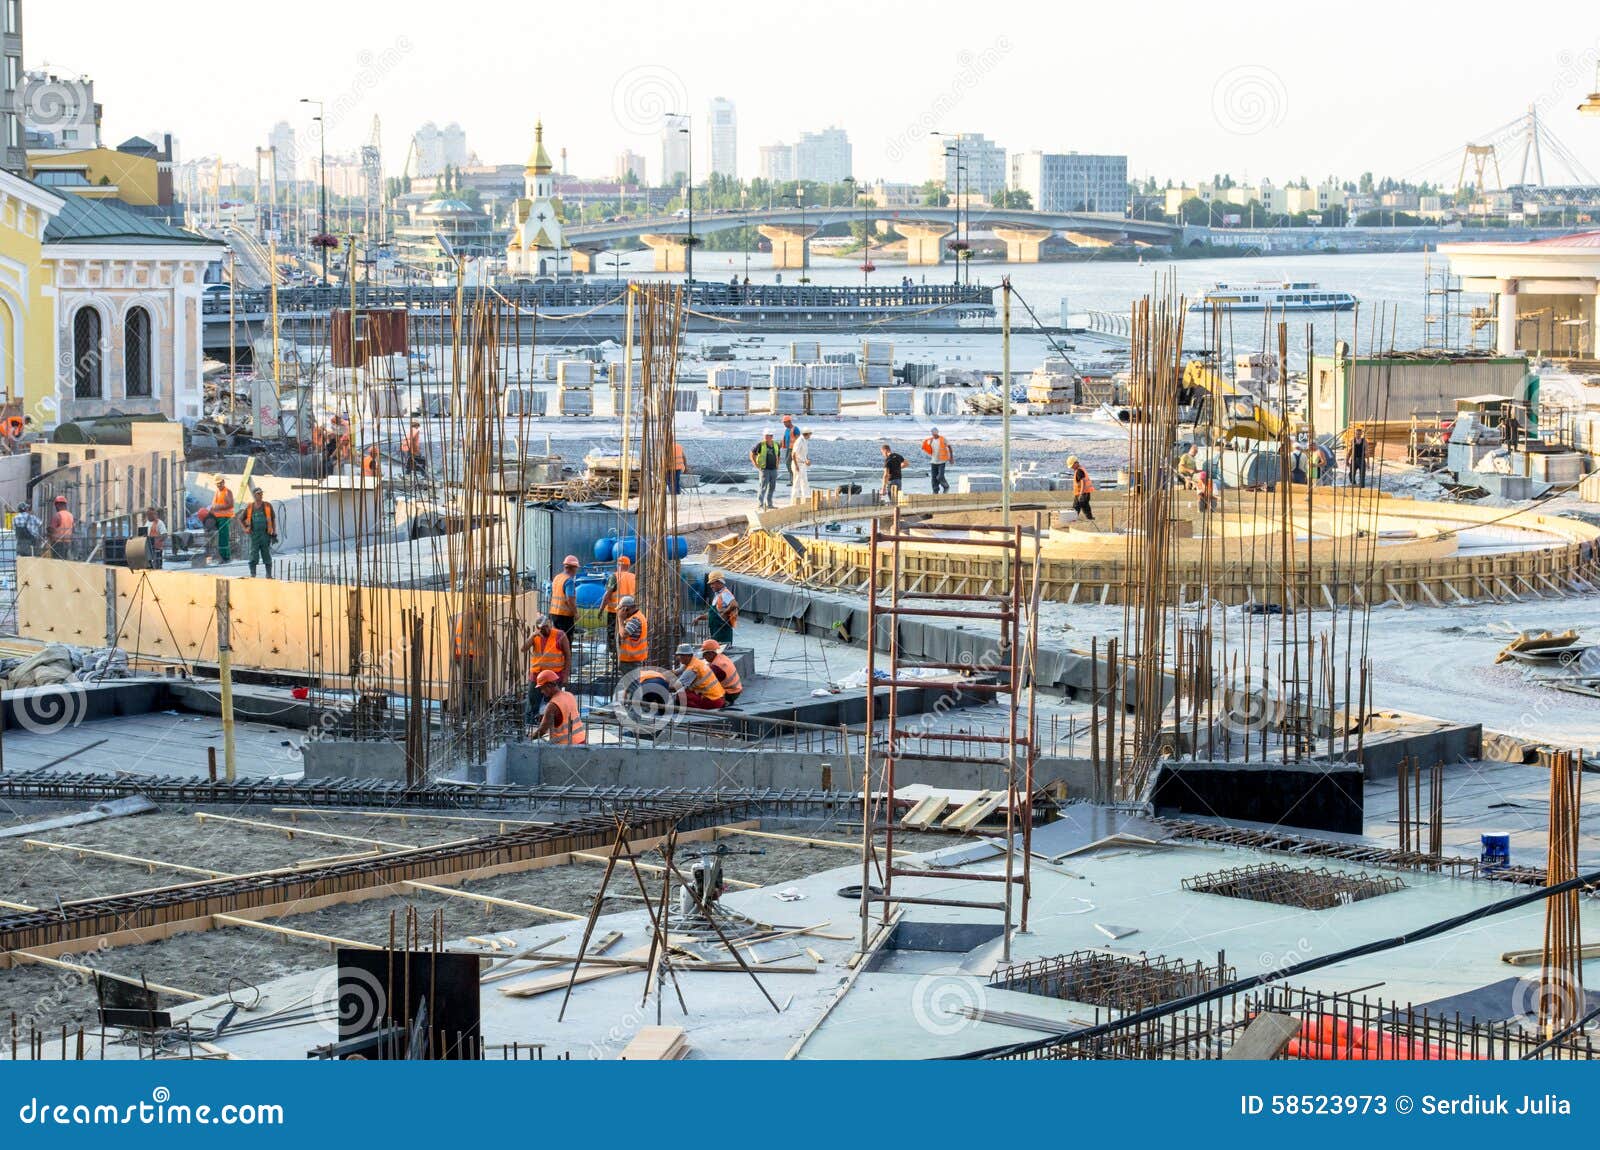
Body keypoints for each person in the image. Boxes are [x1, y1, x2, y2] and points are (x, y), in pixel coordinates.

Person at [521, 615, 571, 723]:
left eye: (547, 626)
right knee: (532, 705)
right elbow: (523, 649)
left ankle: (554, 726)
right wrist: (533, 636)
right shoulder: (536, 636)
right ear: (538, 628)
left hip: (554, 677)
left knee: (555, 704)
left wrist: (566, 676)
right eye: (543, 628)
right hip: (536, 676)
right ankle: (531, 726)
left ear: (550, 624)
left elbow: (568, 655)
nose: (546, 630)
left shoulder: (559, 635)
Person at [529, 670, 587, 745]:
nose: (542, 692)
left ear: (549, 685)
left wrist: (528, 738)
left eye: (542, 688)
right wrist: (545, 716)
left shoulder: (552, 705)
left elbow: (542, 731)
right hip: (581, 740)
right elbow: (565, 714)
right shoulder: (569, 695)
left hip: (565, 746)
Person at [673, 643, 726, 711]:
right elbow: (677, 671)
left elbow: (676, 687)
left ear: (687, 656)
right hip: (720, 697)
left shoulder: (692, 669)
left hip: (714, 702)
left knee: (679, 695)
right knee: (687, 691)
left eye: (680, 656)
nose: (678, 658)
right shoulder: (695, 661)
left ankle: (694, 710)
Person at [239, 487, 276, 578]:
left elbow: (273, 519)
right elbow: (240, 519)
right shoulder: (250, 507)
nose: (261, 495)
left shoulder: (267, 506)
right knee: (253, 554)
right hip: (254, 535)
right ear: (254, 495)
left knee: (266, 554)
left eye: (261, 493)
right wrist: (245, 529)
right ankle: (253, 574)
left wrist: (274, 532)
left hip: (265, 535)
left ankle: (269, 575)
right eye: (259, 494)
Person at [602, 555, 635, 652]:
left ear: (618, 565)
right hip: (630, 611)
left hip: (615, 611)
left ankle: (614, 654)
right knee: (627, 633)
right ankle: (625, 652)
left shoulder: (614, 576)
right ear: (628, 566)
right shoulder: (634, 577)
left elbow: (607, 595)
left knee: (613, 635)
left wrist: (601, 609)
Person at [701, 639, 743, 706]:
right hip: (736, 690)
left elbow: (706, 684)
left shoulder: (716, 667)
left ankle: (724, 702)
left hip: (730, 693)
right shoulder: (721, 657)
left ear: (711, 653)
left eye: (704, 654)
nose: (703, 657)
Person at [548, 554, 580, 635]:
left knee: (557, 638)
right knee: (566, 640)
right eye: (576, 568)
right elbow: (569, 599)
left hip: (554, 614)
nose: (576, 571)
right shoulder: (569, 581)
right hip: (564, 616)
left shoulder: (557, 577)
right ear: (572, 568)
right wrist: (576, 613)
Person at [750, 431, 780, 510]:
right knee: (763, 487)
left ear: (771, 436)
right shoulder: (760, 444)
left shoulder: (776, 444)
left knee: (772, 487)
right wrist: (755, 465)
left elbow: (778, 455)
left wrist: (777, 465)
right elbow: (752, 453)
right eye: (765, 436)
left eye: (768, 436)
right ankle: (760, 505)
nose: (766, 437)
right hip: (764, 469)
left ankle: (769, 504)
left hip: (773, 469)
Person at [706, 570, 737, 645]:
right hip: (716, 632)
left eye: (712, 583)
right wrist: (700, 618)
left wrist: (725, 611)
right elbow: (713, 614)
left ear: (719, 582)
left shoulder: (725, 593)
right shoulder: (718, 595)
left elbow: (734, 604)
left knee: (722, 651)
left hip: (722, 632)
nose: (711, 586)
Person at [616, 596, 648, 667]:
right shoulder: (638, 616)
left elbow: (623, 635)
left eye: (621, 610)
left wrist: (620, 619)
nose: (619, 612)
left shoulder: (635, 619)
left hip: (631, 661)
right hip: (633, 659)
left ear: (626, 609)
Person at [210, 477, 236, 562]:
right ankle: (220, 556)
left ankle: (226, 557)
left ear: (223, 482)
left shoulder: (227, 492)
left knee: (224, 538)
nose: (219, 485)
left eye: (220, 483)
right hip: (217, 517)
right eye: (217, 483)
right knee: (219, 538)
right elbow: (214, 504)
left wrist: (219, 507)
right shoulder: (217, 492)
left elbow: (231, 504)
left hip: (225, 517)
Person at [921, 427, 952, 494]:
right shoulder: (930, 440)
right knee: (934, 478)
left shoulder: (943, 439)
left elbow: (949, 447)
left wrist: (951, 458)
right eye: (933, 433)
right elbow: (925, 446)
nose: (934, 434)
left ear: (937, 432)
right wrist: (924, 445)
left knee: (940, 476)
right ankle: (935, 491)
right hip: (933, 461)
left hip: (942, 461)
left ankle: (946, 486)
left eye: (935, 432)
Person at [46, 495, 74, 560]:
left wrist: (48, 530)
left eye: (56, 505)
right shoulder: (70, 515)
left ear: (58, 505)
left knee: (56, 561)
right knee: (64, 560)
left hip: (57, 543)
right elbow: (73, 528)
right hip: (68, 542)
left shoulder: (58, 515)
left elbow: (52, 529)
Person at [1068, 455, 1095, 522]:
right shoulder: (1081, 469)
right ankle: (1090, 519)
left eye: (1072, 466)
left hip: (1082, 493)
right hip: (1085, 493)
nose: (1071, 467)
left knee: (1076, 507)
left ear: (1075, 463)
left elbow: (1083, 482)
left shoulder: (1079, 471)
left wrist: (1081, 494)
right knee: (1085, 507)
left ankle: (1073, 520)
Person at [790, 428, 813, 505]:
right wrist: (796, 466)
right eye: (810, 434)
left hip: (802, 464)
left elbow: (803, 454)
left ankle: (805, 500)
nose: (811, 435)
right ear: (807, 433)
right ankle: (793, 501)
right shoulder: (799, 440)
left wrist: (806, 460)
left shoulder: (804, 440)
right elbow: (793, 454)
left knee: (804, 482)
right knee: (796, 483)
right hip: (798, 464)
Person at [779, 415, 802, 485]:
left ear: (789, 422)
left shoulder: (795, 429)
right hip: (788, 449)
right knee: (789, 464)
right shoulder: (787, 430)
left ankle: (794, 480)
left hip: (793, 449)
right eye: (783, 423)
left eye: (785, 422)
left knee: (790, 464)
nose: (784, 424)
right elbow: (784, 439)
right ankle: (793, 480)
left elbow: (799, 440)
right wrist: (778, 446)